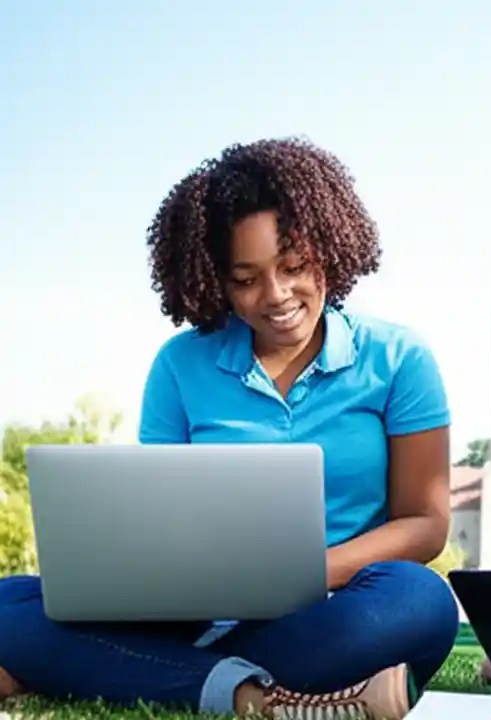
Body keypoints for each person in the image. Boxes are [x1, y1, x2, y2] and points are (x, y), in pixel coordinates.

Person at [0, 137, 460, 719]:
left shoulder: (398, 358)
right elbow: (156, 520)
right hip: (193, 616)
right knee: (7, 602)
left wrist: (307, 574)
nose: (276, 296)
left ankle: (124, 669)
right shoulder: (180, 365)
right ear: (214, 278)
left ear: (330, 248)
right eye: (245, 279)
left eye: (293, 267)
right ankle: (255, 696)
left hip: (334, 610)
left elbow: (424, 524)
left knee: (419, 601)